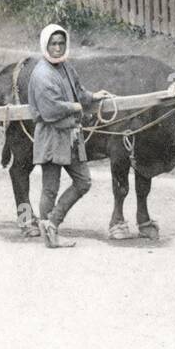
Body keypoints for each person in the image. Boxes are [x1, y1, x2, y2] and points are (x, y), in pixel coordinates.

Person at [28, 23, 112, 249]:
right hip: (51, 137)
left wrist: (93, 96)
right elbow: (50, 110)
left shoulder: (65, 67)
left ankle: (52, 223)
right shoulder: (42, 74)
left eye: (61, 43)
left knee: (83, 182)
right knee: (50, 188)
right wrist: (75, 108)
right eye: (53, 43)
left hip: (71, 138)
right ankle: (50, 236)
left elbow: (78, 91)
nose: (57, 48)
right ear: (45, 45)